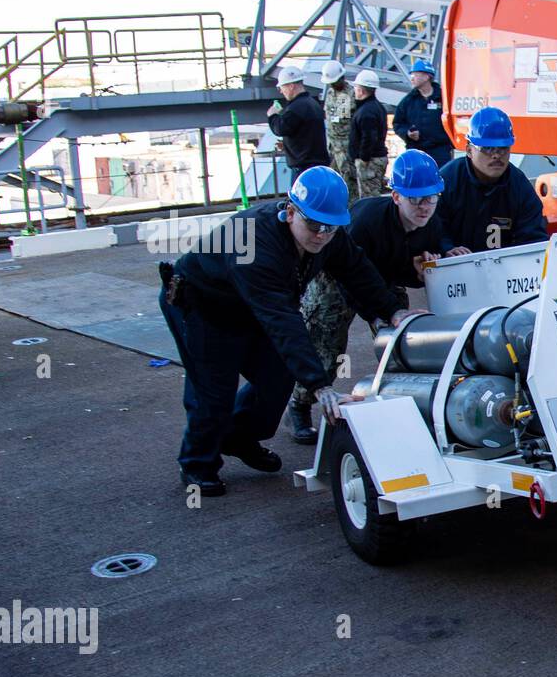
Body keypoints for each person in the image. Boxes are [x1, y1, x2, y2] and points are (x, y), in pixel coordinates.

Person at [158, 167, 421, 497]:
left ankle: (237, 437)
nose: (322, 235)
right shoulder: (253, 244)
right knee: (214, 388)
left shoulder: (327, 233)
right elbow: (282, 321)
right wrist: (320, 386)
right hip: (202, 305)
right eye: (314, 225)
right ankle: (197, 462)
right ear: (290, 211)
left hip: (249, 306)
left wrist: (391, 310)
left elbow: (356, 269)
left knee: (279, 376)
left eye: (331, 226)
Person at [287, 151, 448, 443]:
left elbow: (404, 271)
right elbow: (351, 275)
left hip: (383, 283)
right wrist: (375, 312)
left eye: (431, 198)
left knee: (403, 344)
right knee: (328, 350)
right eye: (415, 199)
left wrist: (419, 273)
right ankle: (299, 405)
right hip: (337, 280)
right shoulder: (367, 219)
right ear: (396, 196)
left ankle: (403, 404)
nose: (424, 207)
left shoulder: (432, 226)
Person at [437, 107, 546, 253]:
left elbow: (534, 239)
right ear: (469, 150)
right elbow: (431, 228)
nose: (496, 155)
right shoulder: (447, 181)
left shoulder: (519, 187)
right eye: (487, 148)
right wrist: (446, 249)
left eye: (503, 148)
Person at [266, 66, 329, 185]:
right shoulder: (311, 103)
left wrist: (272, 116)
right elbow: (304, 134)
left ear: (291, 86)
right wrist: (287, 145)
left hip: (304, 168)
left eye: (282, 87)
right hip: (316, 164)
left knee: (300, 202)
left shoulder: (296, 108)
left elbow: (280, 128)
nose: (280, 91)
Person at [393, 58, 453, 169]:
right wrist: (407, 133)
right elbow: (397, 124)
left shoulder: (444, 98)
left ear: (426, 76)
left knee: (442, 182)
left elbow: (452, 122)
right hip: (416, 152)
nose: (412, 78)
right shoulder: (408, 101)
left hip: (440, 152)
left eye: (415, 75)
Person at [320, 60, 360, 205]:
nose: (332, 85)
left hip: (345, 147)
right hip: (333, 146)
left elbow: (342, 119)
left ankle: (351, 209)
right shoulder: (330, 92)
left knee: (348, 181)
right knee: (333, 179)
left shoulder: (349, 94)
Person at [349, 69, 389, 199]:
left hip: (370, 161)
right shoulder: (377, 107)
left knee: (369, 198)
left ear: (361, 90)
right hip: (376, 158)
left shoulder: (366, 111)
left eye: (356, 87)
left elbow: (369, 137)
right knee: (373, 194)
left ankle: (372, 219)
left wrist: (363, 158)